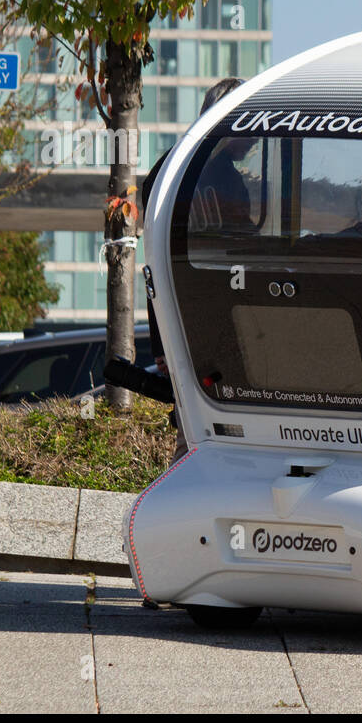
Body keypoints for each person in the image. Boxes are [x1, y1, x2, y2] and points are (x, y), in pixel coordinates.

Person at [138, 76, 244, 461]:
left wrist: (160, 339)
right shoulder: (221, 178)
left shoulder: (168, 169)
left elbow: (153, 265)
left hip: (186, 321)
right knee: (199, 439)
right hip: (211, 322)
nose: (251, 137)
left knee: (196, 433)